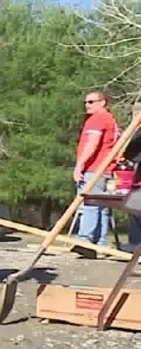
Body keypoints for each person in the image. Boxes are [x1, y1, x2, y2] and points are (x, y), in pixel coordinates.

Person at [73, 90, 119, 249]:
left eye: (91, 102)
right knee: (102, 207)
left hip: (94, 169)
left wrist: (80, 165)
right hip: (106, 169)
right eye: (85, 102)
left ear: (102, 102)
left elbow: (92, 143)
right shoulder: (110, 119)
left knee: (90, 204)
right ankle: (100, 242)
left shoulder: (98, 119)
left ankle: (85, 240)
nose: (87, 105)